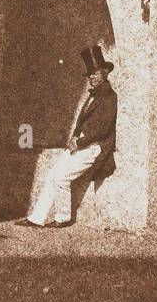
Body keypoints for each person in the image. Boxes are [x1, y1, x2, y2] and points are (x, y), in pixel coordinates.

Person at [18, 45, 118, 228]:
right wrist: (73, 140)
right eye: (90, 75)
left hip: (94, 147)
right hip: (80, 145)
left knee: (61, 178)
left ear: (105, 74)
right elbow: (81, 124)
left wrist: (79, 142)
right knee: (52, 176)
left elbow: (103, 129)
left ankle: (63, 217)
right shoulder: (93, 96)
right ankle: (36, 218)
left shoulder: (109, 97)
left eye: (96, 73)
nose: (92, 78)